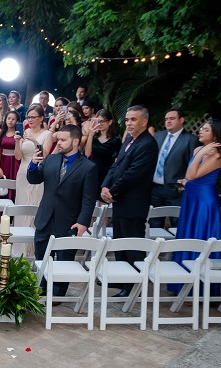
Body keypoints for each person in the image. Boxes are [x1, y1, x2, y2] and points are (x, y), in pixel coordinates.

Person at [27, 125, 98, 295]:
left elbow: (88, 199)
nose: (58, 142)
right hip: (45, 217)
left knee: (65, 257)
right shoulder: (51, 159)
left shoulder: (88, 167)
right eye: (58, 139)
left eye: (62, 140)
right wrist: (33, 165)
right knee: (42, 255)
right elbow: (34, 179)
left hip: (69, 220)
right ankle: (41, 287)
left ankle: (58, 293)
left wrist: (83, 222)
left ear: (75, 141)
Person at [101, 106, 157, 282]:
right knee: (119, 242)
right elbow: (115, 165)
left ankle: (134, 285)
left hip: (133, 203)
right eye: (127, 120)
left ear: (144, 121)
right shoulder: (130, 140)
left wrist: (113, 190)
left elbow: (133, 174)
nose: (128, 123)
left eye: (133, 119)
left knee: (132, 246)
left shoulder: (147, 144)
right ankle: (122, 279)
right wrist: (105, 186)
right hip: (120, 201)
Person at [170, 119, 221, 285]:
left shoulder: (216, 155)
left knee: (199, 237)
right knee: (186, 236)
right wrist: (187, 183)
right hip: (191, 197)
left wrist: (201, 155)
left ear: (215, 135)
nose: (201, 131)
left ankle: (197, 288)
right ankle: (180, 283)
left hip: (203, 201)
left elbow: (192, 175)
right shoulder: (198, 149)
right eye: (202, 128)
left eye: (206, 129)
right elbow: (191, 176)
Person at [150, 109, 199, 229]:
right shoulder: (158, 136)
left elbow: (193, 165)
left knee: (177, 224)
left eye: (172, 118)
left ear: (181, 120)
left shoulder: (191, 140)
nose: (168, 121)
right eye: (166, 119)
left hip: (176, 190)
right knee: (154, 224)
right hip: (155, 189)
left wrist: (187, 183)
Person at [14, 105, 53, 253]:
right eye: (28, 117)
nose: (30, 120)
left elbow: (45, 155)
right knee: (22, 205)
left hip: (38, 172)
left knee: (36, 205)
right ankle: (19, 249)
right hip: (23, 172)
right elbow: (18, 156)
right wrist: (17, 142)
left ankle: (33, 248)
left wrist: (35, 141)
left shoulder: (48, 134)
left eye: (33, 117)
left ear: (41, 118)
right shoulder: (26, 131)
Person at [84, 108, 122, 197]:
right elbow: (87, 154)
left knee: (103, 201)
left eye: (102, 121)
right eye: (98, 121)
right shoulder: (94, 137)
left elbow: (117, 160)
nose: (100, 124)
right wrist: (90, 135)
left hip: (106, 173)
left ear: (110, 122)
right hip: (92, 172)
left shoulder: (115, 139)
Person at [0, 110, 22, 199]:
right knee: (3, 187)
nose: (10, 121)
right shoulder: (1, 135)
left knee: (15, 185)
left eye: (13, 119)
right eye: (8, 118)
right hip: (4, 162)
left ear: (17, 121)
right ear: (5, 120)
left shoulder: (19, 135)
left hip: (15, 163)